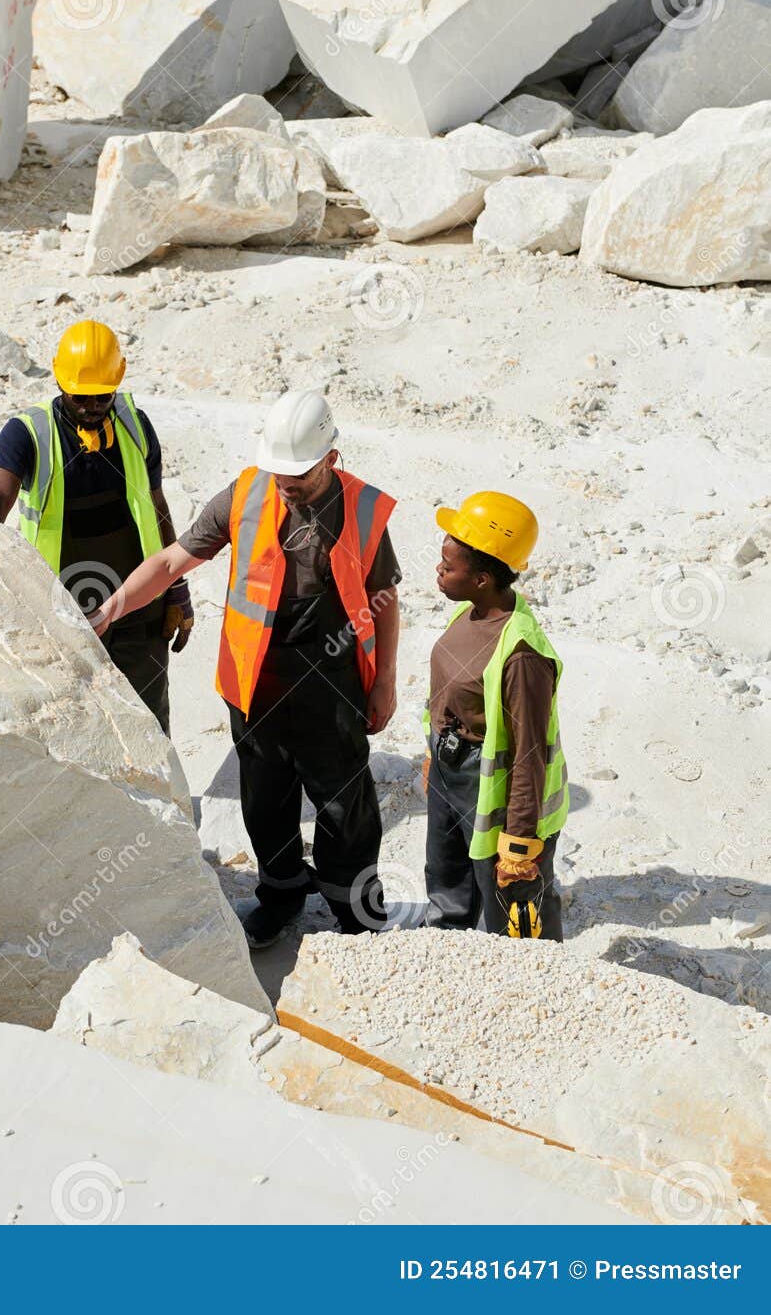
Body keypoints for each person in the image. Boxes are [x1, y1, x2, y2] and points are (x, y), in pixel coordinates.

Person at [90, 390, 401, 947]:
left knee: (344, 803)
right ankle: (279, 897)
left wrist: (384, 682)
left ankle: (356, 913)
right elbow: (169, 561)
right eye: (278, 469)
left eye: (299, 474)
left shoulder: (362, 508)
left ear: (332, 457)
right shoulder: (245, 494)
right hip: (256, 678)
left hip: (333, 680)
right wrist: (111, 608)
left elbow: (384, 596)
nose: (287, 483)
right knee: (265, 797)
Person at [0, 319, 192, 733]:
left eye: (102, 396)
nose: (93, 406)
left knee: (148, 718)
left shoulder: (135, 425)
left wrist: (177, 589)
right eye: (81, 397)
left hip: (139, 604)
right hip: (62, 610)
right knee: (77, 725)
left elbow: (157, 503)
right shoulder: (27, 434)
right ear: (60, 382)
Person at [422, 491, 568, 942]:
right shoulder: (469, 616)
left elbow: (529, 753)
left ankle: (533, 984)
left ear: (483, 578)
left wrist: (520, 841)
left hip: (497, 791)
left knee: (514, 907)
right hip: (451, 772)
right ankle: (451, 955)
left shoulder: (522, 653)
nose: (439, 571)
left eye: (449, 566)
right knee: (447, 882)